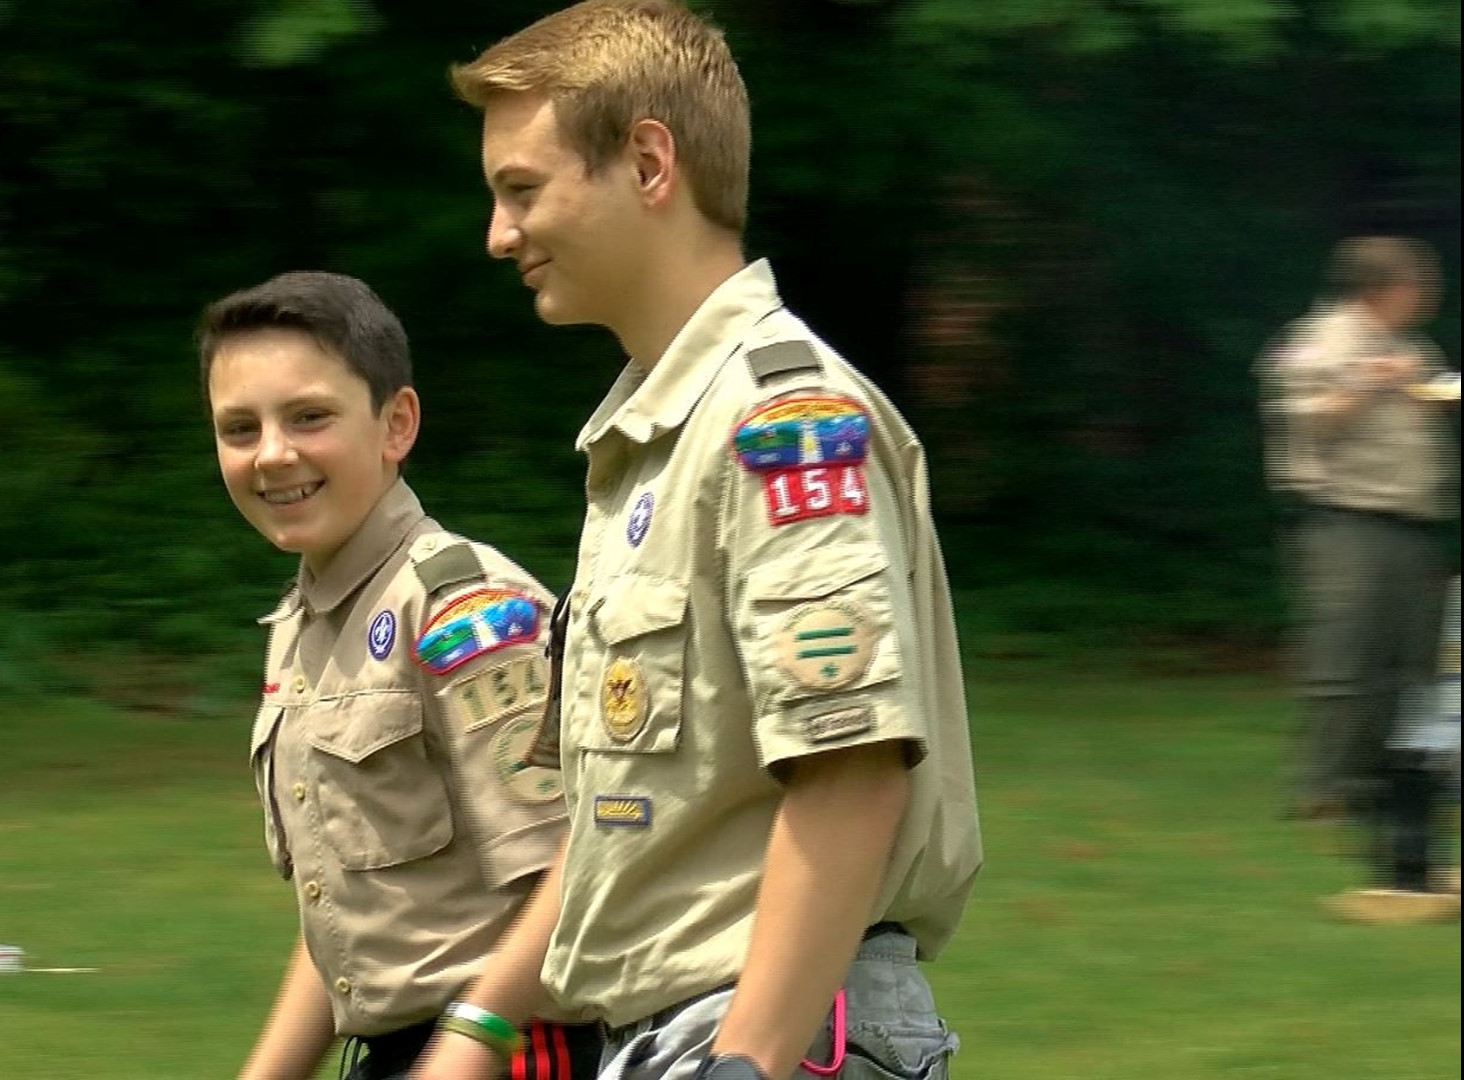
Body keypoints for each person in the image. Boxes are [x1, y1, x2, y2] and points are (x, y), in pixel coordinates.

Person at [418, 4, 984, 1078]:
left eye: (521, 190)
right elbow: (632, 828)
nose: (499, 234)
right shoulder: (652, 447)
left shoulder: (780, 426)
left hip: (770, 1034)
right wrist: (480, 1027)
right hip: (683, 1034)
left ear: (645, 162)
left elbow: (853, 770)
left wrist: (749, 1061)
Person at [202, 271, 602, 1079]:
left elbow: (579, 860)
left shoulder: (464, 610)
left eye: (309, 417)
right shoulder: (304, 630)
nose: (272, 454)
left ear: (397, 424)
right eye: (239, 428)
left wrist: (469, 1048)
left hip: (512, 1052)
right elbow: (355, 921)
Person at [1262, 237, 1460, 923]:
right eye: (1420, 280)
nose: (1428, 291)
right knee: (1345, 660)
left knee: (1414, 672)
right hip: (1346, 522)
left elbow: (1437, 392)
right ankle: (1329, 789)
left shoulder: (1416, 346)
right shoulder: (1317, 339)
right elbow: (1302, 413)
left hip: (1412, 526)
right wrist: (1367, 383)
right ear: (1384, 285)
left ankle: (1399, 797)